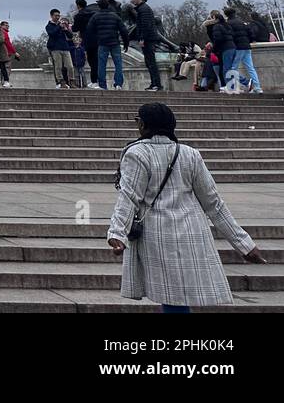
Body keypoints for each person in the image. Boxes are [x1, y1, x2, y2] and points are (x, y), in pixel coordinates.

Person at [107, 102, 265, 312]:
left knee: (173, 299)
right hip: (192, 233)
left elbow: (129, 196)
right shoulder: (190, 154)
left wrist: (117, 233)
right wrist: (244, 244)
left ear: (143, 125)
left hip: (159, 235)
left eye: (138, 121)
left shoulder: (137, 153)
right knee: (177, 298)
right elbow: (214, 204)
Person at [88, 0, 127, 90]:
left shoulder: (95, 16)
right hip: (114, 42)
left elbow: (89, 30)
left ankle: (102, 85)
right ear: (108, 5)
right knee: (118, 64)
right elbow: (123, 30)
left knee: (101, 65)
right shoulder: (115, 16)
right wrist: (126, 43)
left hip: (102, 43)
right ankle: (118, 83)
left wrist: (96, 38)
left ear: (99, 6)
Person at [128, 0, 164, 91]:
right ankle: (154, 83)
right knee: (149, 62)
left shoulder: (143, 9)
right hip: (149, 38)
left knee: (151, 62)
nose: (131, 0)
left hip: (148, 39)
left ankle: (156, 84)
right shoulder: (142, 8)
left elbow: (145, 25)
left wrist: (142, 38)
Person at [223, 7, 263, 93]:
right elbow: (251, 33)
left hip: (238, 47)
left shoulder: (228, 24)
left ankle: (239, 86)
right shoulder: (242, 22)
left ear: (226, 15)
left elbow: (230, 36)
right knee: (250, 68)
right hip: (247, 46)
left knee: (233, 68)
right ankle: (257, 87)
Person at [205, 10, 236, 93]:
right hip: (232, 47)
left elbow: (218, 39)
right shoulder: (226, 25)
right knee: (230, 68)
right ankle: (231, 86)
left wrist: (214, 48)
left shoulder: (216, 27)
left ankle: (231, 87)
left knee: (226, 69)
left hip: (225, 48)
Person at [72, 0, 100, 88]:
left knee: (92, 61)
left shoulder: (79, 15)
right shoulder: (93, 14)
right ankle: (97, 80)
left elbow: (75, 28)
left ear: (78, 5)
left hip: (87, 39)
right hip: (97, 38)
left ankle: (94, 80)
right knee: (96, 60)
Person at [47, 9, 74, 88]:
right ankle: (60, 81)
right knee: (58, 66)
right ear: (51, 16)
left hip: (65, 47)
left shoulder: (62, 25)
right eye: (56, 16)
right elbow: (52, 34)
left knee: (70, 66)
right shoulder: (49, 26)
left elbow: (70, 36)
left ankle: (72, 81)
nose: (58, 17)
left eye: (59, 15)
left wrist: (66, 29)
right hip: (55, 48)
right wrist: (59, 27)